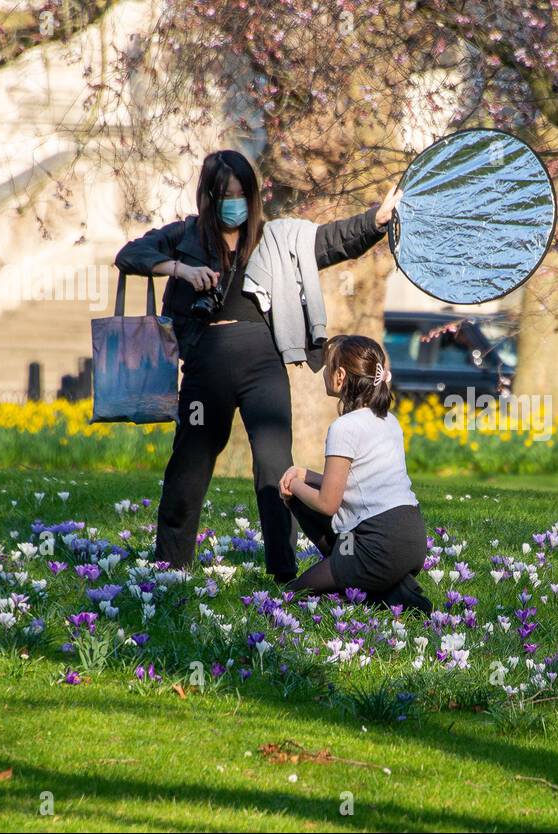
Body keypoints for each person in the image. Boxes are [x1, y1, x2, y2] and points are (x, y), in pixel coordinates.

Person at [114, 150, 401, 583]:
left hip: (262, 363)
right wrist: (181, 270)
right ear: (208, 197)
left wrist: (375, 221)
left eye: (242, 194)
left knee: (273, 465)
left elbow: (331, 240)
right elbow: (129, 255)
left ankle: (283, 570)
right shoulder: (186, 236)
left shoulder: (276, 238)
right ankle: (170, 566)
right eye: (225, 195)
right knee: (189, 464)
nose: (235, 202)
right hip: (205, 363)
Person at [279, 335, 432, 614]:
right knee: (351, 585)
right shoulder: (387, 419)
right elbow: (358, 485)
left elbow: (328, 503)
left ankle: (359, 579)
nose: (323, 372)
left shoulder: (345, 427)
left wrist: (294, 485)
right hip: (412, 539)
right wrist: (306, 475)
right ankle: (397, 593)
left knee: (291, 596)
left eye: (326, 366)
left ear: (339, 376)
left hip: (378, 545)